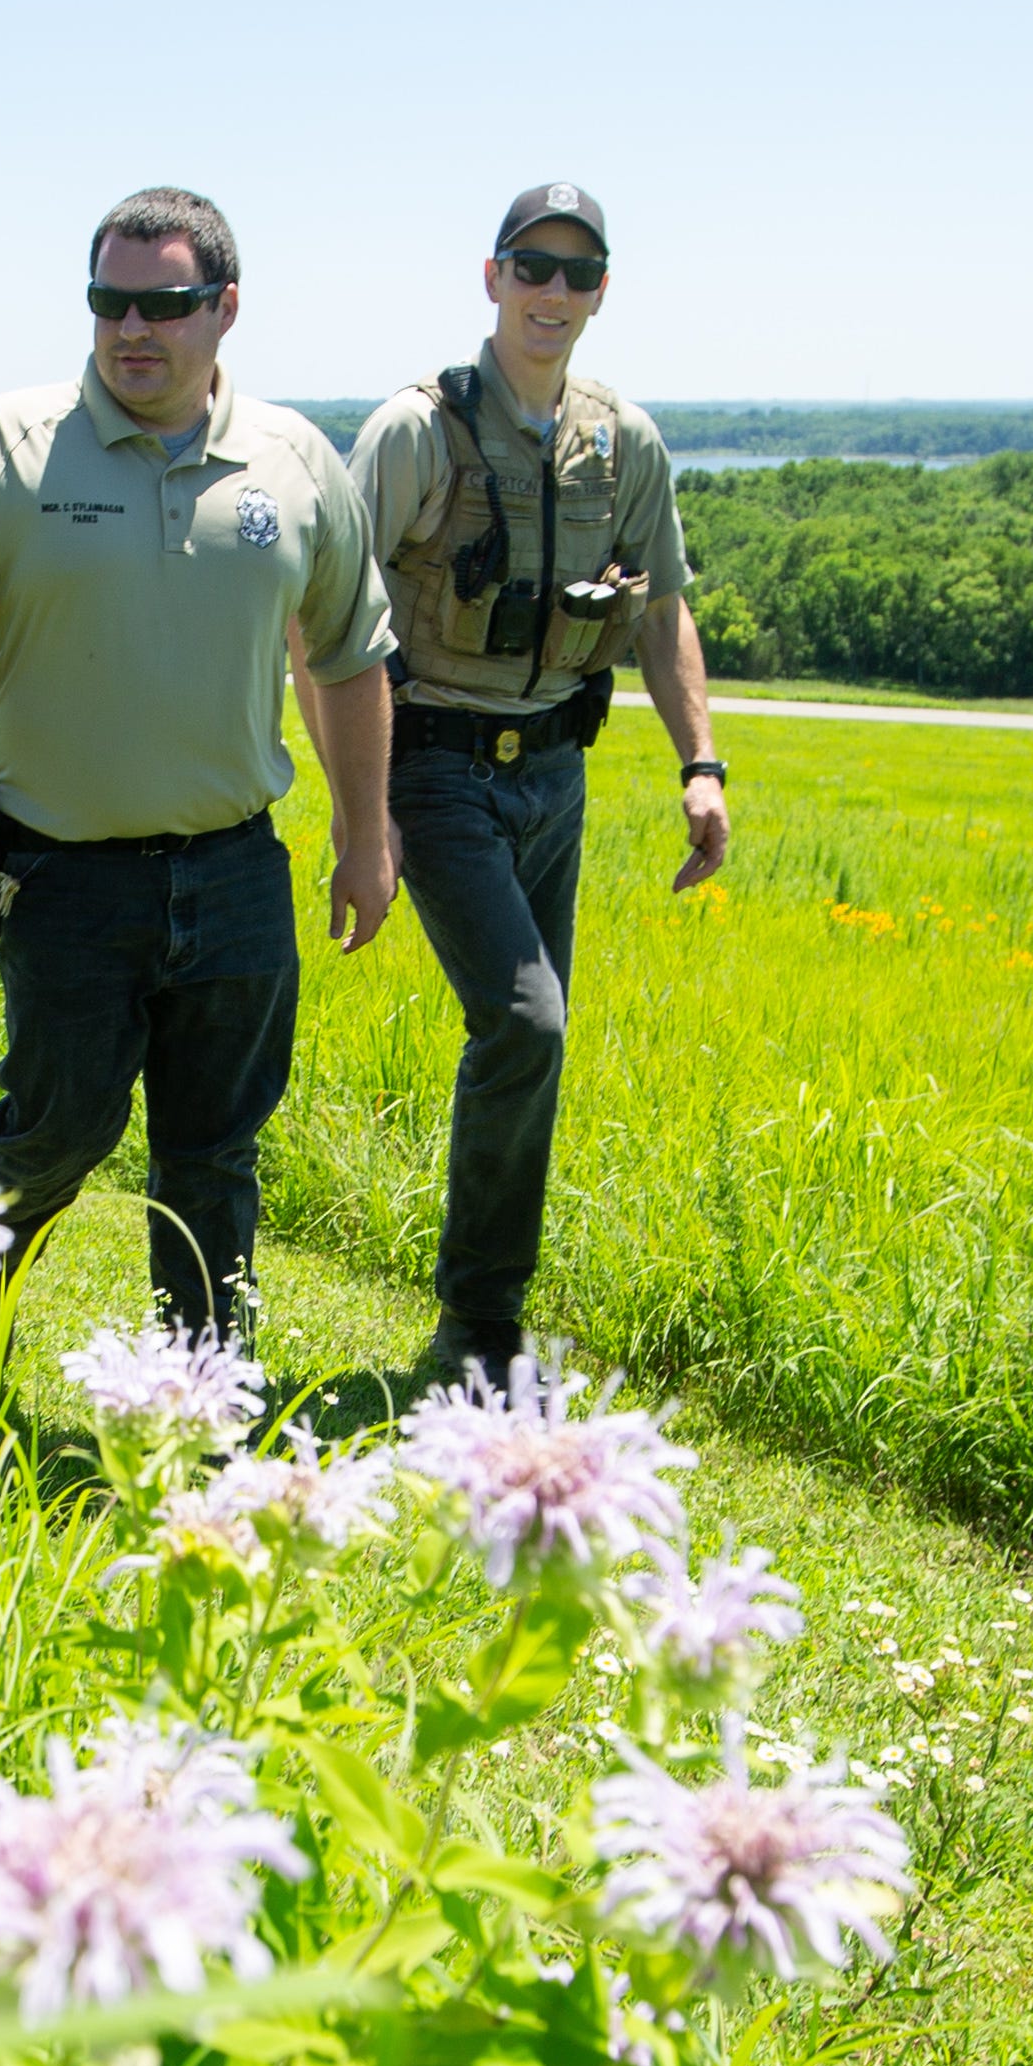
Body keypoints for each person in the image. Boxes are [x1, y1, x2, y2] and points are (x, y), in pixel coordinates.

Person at [0, 184, 394, 1376]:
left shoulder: (294, 460)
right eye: (109, 302)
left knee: (215, 1155)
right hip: (64, 879)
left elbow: (353, 658)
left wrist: (370, 835)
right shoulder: (4, 446)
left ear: (226, 309)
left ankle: (198, 1405)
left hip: (237, 871)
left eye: (162, 304)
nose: (130, 329)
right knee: (54, 1136)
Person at [345, 181, 731, 1394]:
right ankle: (481, 1326)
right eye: (532, 267)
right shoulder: (419, 432)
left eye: (577, 273)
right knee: (524, 1021)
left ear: (601, 289)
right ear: (492, 277)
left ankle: (486, 1319)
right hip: (435, 760)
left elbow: (662, 607)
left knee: (534, 1045)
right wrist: (363, 813)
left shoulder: (622, 443)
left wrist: (701, 765)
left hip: (556, 769)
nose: (552, 293)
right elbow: (332, 617)